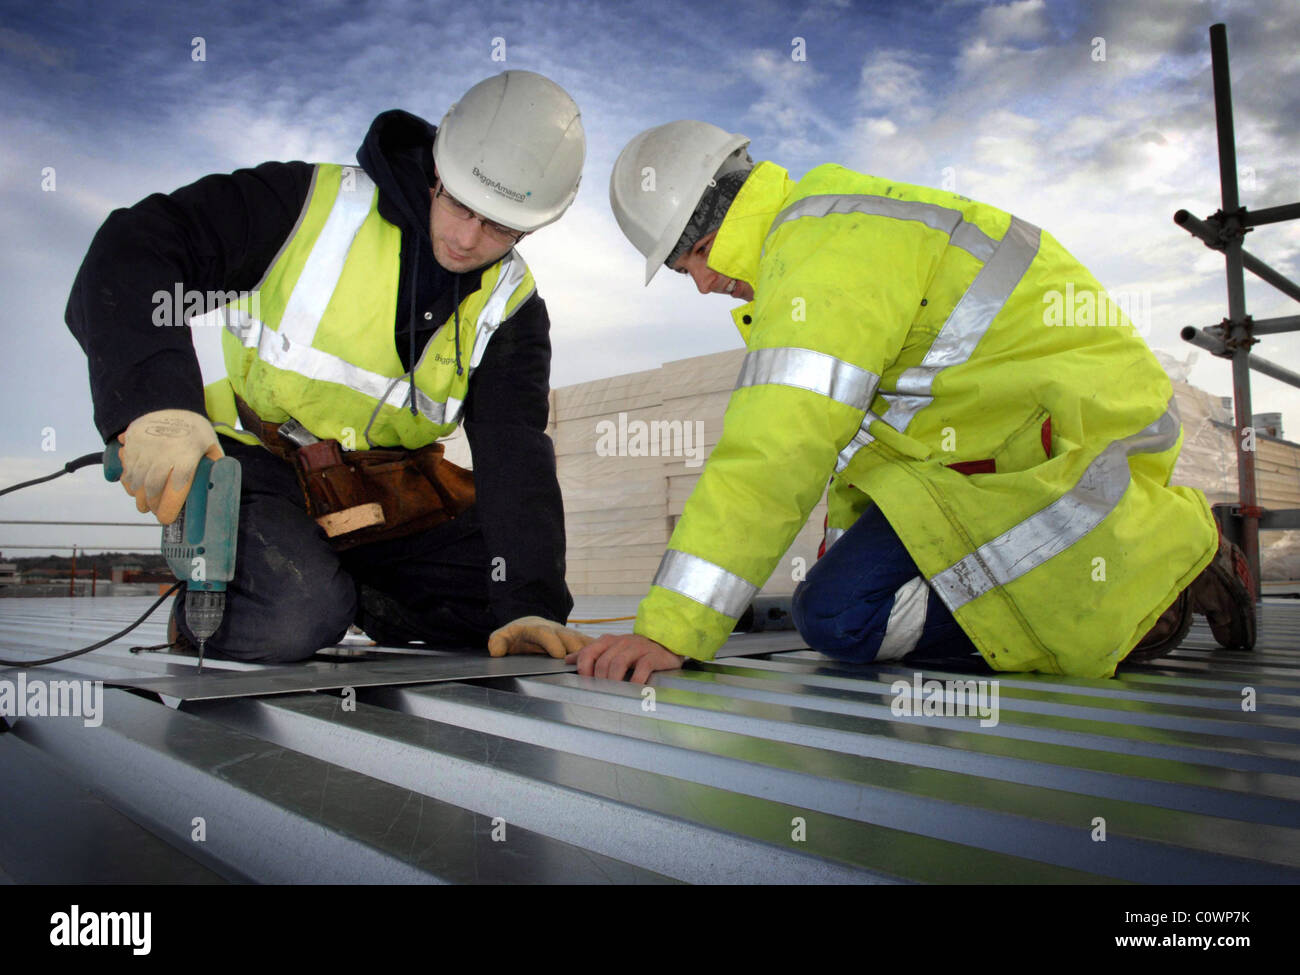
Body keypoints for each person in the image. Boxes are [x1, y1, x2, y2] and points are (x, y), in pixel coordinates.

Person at [575, 119, 1255, 684]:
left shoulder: (820, 254)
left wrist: (671, 629)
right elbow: (871, 437)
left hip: (1053, 445)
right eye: (682, 270)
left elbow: (776, 450)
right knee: (838, 607)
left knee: (841, 617)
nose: (700, 284)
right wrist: (843, 540)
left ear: (728, 214)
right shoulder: (825, 227)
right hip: (992, 448)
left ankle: (1158, 571)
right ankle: (1146, 569)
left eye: (695, 254)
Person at [66, 70, 593, 663]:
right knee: (293, 618)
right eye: (461, 206)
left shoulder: (511, 304)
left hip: (381, 494)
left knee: (496, 608)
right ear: (439, 167)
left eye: (500, 226)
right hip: (258, 465)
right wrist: (155, 402)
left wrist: (529, 600)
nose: (469, 240)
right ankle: (232, 605)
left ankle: (348, 588)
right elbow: (135, 244)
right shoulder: (308, 206)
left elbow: (513, 449)